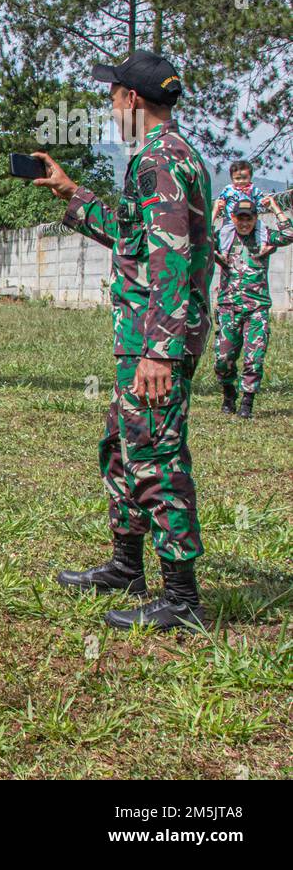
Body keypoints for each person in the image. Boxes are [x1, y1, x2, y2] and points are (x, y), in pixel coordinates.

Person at [35, 51, 212, 632]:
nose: (110, 107)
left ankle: (182, 599)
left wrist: (159, 350)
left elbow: (170, 258)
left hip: (152, 345)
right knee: (122, 445)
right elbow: (135, 238)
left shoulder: (159, 161)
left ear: (132, 100)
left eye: (112, 97)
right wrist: (73, 195)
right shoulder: (165, 159)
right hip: (139, 342)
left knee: (156, 456)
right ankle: (126, 567)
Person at [214, 194, 293, 418]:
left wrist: (275, 207)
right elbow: (204, 237)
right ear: (233, 218)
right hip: (229, 307)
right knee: (223, 358)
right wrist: (214, 212)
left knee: (254, 357)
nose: (245, 223)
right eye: (241, 218)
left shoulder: (264, 236)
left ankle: (247, 402)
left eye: (249, 218)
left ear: (256, 218)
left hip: (256, 308)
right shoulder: (225, 236)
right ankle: (228, 392)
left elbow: (289, 233)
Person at [213, 159, 268, 225]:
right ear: (232, 178)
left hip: (250, 221)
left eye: (244, 178)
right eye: (237, 178)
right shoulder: (228, 189)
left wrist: (264, 202)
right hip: (231, 221)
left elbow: (261, 203)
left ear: (250, 177)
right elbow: (221, 200)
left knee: (261, 230)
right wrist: (221, 204)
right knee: (225, 233)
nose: (241, 181)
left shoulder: (254, 190)